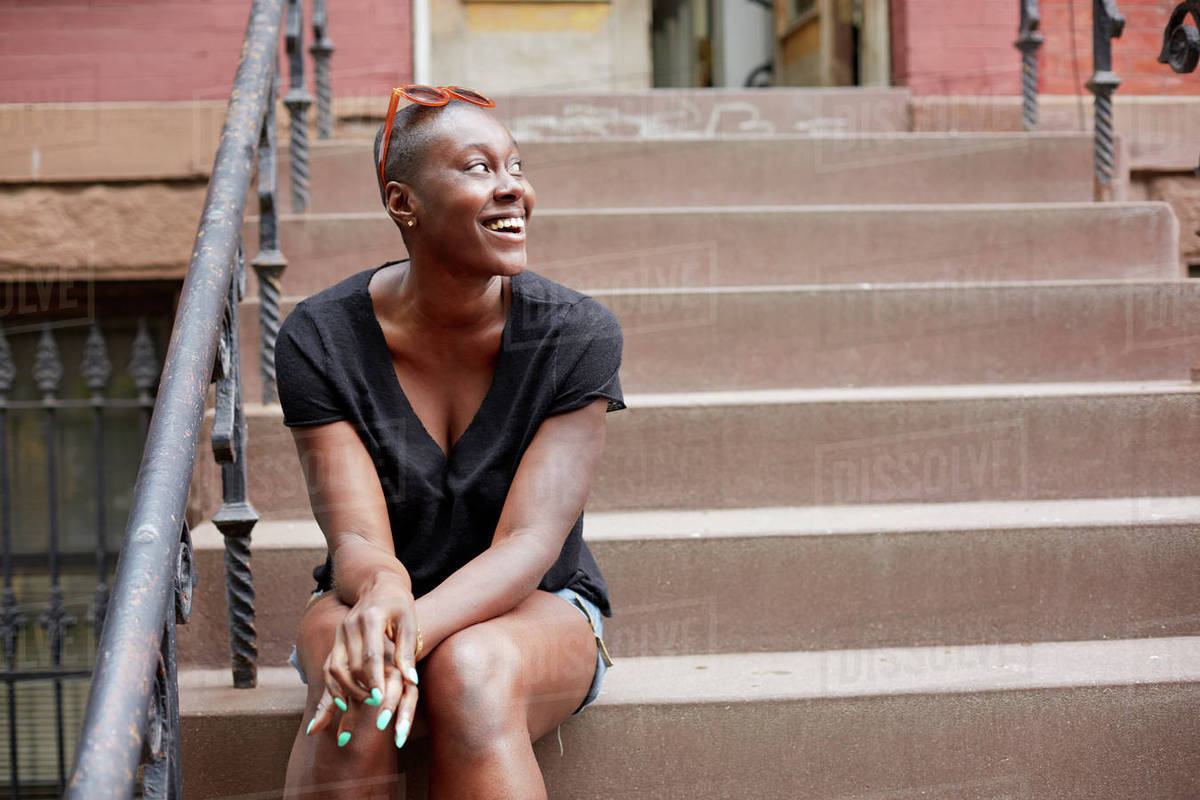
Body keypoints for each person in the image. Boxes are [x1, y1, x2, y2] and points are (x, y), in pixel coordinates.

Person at [275, 86, 624, 799]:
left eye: (515, 165)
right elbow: (357, 542)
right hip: (362, 599)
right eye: (477, 169)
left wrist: (408, 632)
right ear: (404, 203)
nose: (513, 190)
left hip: (537, 607)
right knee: (360, 695)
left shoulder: (576, 336)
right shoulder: (320, 339)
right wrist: (385, 596)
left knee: (469, 671)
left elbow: (530, 545)